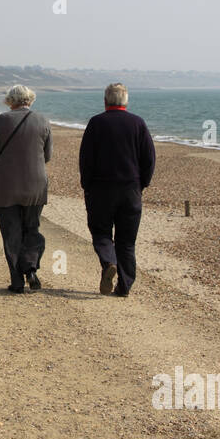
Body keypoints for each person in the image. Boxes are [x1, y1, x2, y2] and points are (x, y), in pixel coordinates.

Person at [78, 83, 155, 297]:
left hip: (101, 189)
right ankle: (124, 285)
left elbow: (86, 159)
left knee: (101, 233)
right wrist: (142, 184)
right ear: (126, 101)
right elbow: (149, 159)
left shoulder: (96, 123)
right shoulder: (138, 123)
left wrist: (87, 185)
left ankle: (109, 262)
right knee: (127, 241)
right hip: (130, 189)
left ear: (105, 101)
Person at [0, 85, 52, 293]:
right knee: (32, 228)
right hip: (36, 185)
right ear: (30, 100)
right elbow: (47, 155)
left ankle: (17, 281)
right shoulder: (43, 120)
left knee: (11, 233)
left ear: (10, 100)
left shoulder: (3, 120)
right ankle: (31, 268)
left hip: (7, 185)